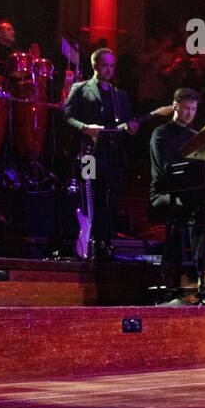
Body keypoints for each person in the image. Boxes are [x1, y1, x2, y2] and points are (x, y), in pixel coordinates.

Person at [148, 87, 205, 300]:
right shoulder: (161, 134)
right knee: (199, 208)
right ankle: (203, 272)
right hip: (165, 194)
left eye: (193, 109)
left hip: (194, 197)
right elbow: (165, 170)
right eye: (185, 108)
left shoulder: (197, 136)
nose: (190, 113)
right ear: (175, 106)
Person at [62, 47, 138, 260]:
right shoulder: (81, 88)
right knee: (88, 196)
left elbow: (125, 123)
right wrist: (86, 127)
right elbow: (67, 117)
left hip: (111, 155)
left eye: (112, 66)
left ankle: (105, 242)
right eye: (105, 65)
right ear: (95, 65)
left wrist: (131, 128)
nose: (109, 70)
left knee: (109, 199)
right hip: (88, 153)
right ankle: (84, 241)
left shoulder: (119, 95)